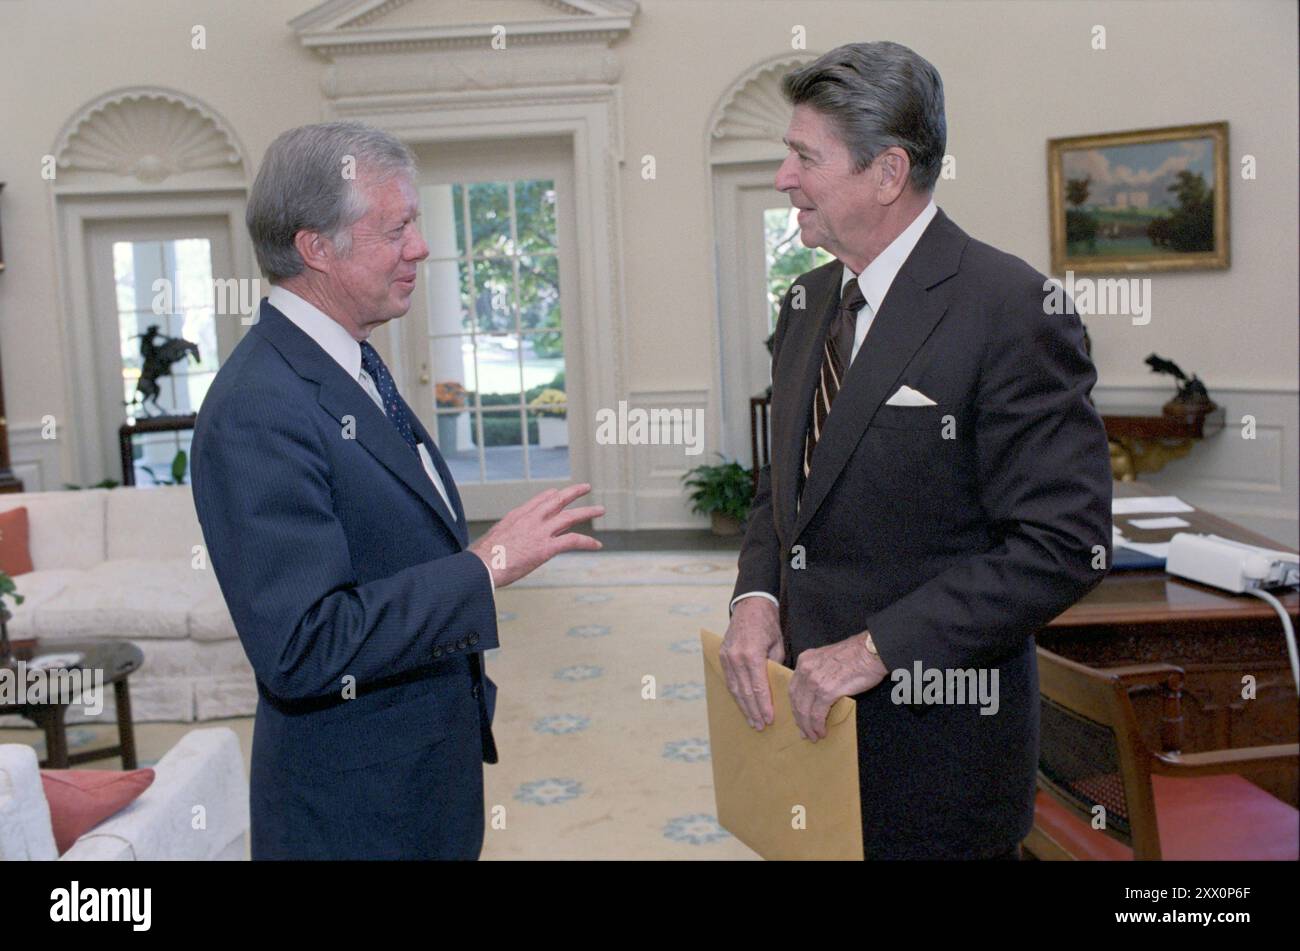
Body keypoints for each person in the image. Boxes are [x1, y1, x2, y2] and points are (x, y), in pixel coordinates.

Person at [720, 42, 1112, 860]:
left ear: (889, 171)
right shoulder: (806, 299)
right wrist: (753, 597)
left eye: (803, 156)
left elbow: (1063, 544)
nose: (784, 178)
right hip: (804, 744)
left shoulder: (1010, 308)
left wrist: (874, 648)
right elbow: (782, 490)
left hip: (936, 759)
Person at [191, 121, 602, 860]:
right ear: (317, 247)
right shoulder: (259, 405)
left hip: (414, 783)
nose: (421, 246)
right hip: (353, 812)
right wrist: (486, 566)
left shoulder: (350, 366)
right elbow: (304, 645)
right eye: (397, 227)